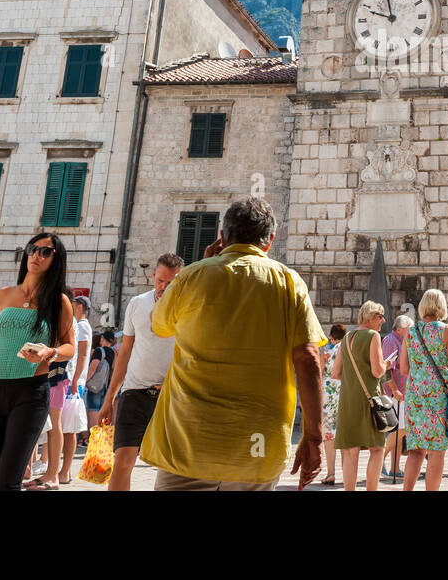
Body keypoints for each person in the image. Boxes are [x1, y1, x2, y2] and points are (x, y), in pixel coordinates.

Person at [142, 198, 325, 491]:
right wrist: (313, 437)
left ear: (223, 237)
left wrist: (202, 265)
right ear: (270, 242)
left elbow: (159, 325)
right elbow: (308, 358)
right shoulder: (289, 283)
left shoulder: (193, 276)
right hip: (257, 444)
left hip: (188, 440)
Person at [0, 233, 75, 491]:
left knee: (8, 482)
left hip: (30, 393)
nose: (36, 255)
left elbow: (69, 346)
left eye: (45, 252)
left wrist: (50, 352)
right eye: (33, 249)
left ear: (56, 260)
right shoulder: (4, 294)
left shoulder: (59, 302)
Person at [99, 254, 181, 491]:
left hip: (170, 396)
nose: (164, 287)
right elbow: (124, 352)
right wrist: (109, 399)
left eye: (171, 282)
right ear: (153, 276)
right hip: (134, 392)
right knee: (123, 460)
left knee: (171, 467)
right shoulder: (137, 304)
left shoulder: (187, 307)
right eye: (161, 281)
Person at [400, 288, 448, 491]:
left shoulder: (411, 332)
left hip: (415, 398)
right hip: (439, 399)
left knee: (416, 450)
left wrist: (421, 374)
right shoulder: (446, 331)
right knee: (436, 453)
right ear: (441, 306)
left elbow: (404, 368)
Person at [332, 300, 391, 491]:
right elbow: (376, 371)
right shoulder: (373, 335)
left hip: (348, 400)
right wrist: (387, 365)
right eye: (381, 317)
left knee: (350, 452)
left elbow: (335, 373)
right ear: (372, 317)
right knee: (377, 449)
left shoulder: (347, 337)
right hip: (369, 401)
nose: (382, 321)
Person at [49, 294, 92, 486]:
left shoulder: (82, 326)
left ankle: (64, 470)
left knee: (68, 428)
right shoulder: (78, 324)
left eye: (74, 304)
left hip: (72, 379)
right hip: (71, 378)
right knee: (64, 427)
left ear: (79, 307)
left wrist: (75, 380)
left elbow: (82, 354)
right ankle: (60, 470)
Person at [380, 314, 411, 477]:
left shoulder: (402, 341)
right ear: (399, 328)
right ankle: (381, 459)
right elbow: (386, 368)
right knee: (399, 429)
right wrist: (394, 390)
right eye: (408, 328)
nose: (410, 331)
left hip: (403, 392)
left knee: (401, 432)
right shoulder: (391, 340)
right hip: (396, 393)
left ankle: (395, 467)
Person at [319, 323, 346, 486]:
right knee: (345, 435)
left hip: (328, 396)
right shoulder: (349, 349)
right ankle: (348, 472)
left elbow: (318, 373)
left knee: (329, 436)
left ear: (331, 336)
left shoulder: (325, 352)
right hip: (345, 393)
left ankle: (331, 473)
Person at [84, 330, 115, 429]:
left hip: (95, 386)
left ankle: (92, 437)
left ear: (103, 339)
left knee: (93, 410)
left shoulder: (99, 351)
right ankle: (100, 437)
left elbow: (93, 368)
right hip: (105, 386)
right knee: (101, 411)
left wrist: (84, 381)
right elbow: (114, 368)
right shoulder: (113, 352)